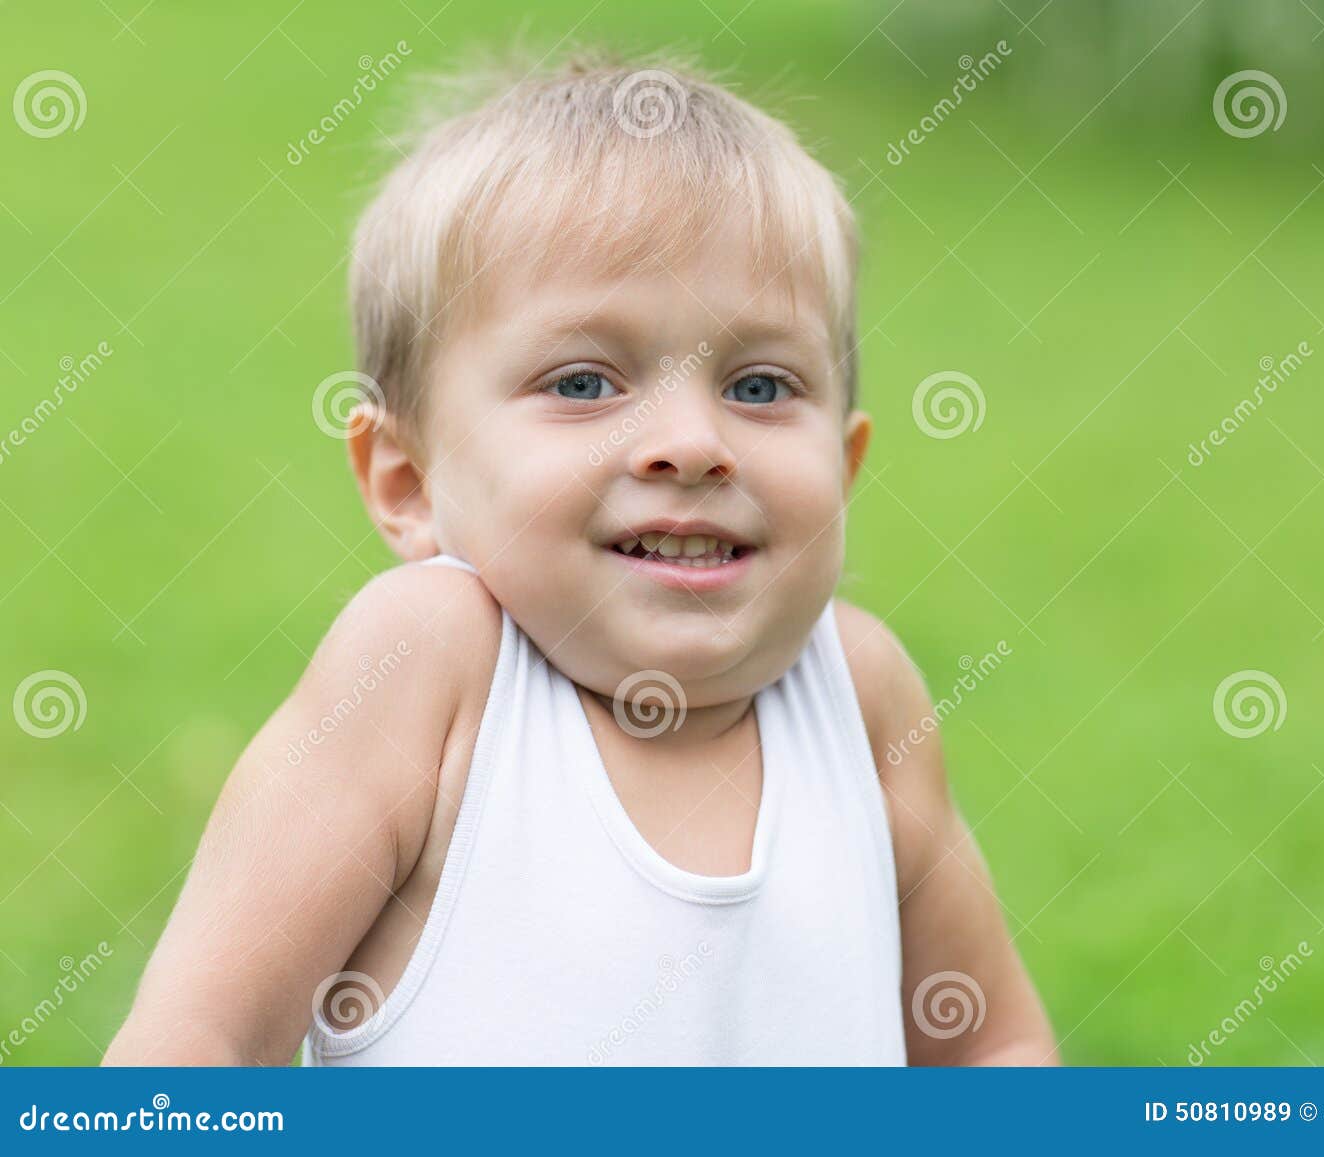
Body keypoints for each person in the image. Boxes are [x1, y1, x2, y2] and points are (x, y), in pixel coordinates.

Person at [104, 51, 1054, 1066]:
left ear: (846, 459)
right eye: (585, 382)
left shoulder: (860, 694)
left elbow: (990, 1041)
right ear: (407, 480)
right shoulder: (429, 672)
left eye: (763, 386)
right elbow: (196, 1041)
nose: (692, 442)